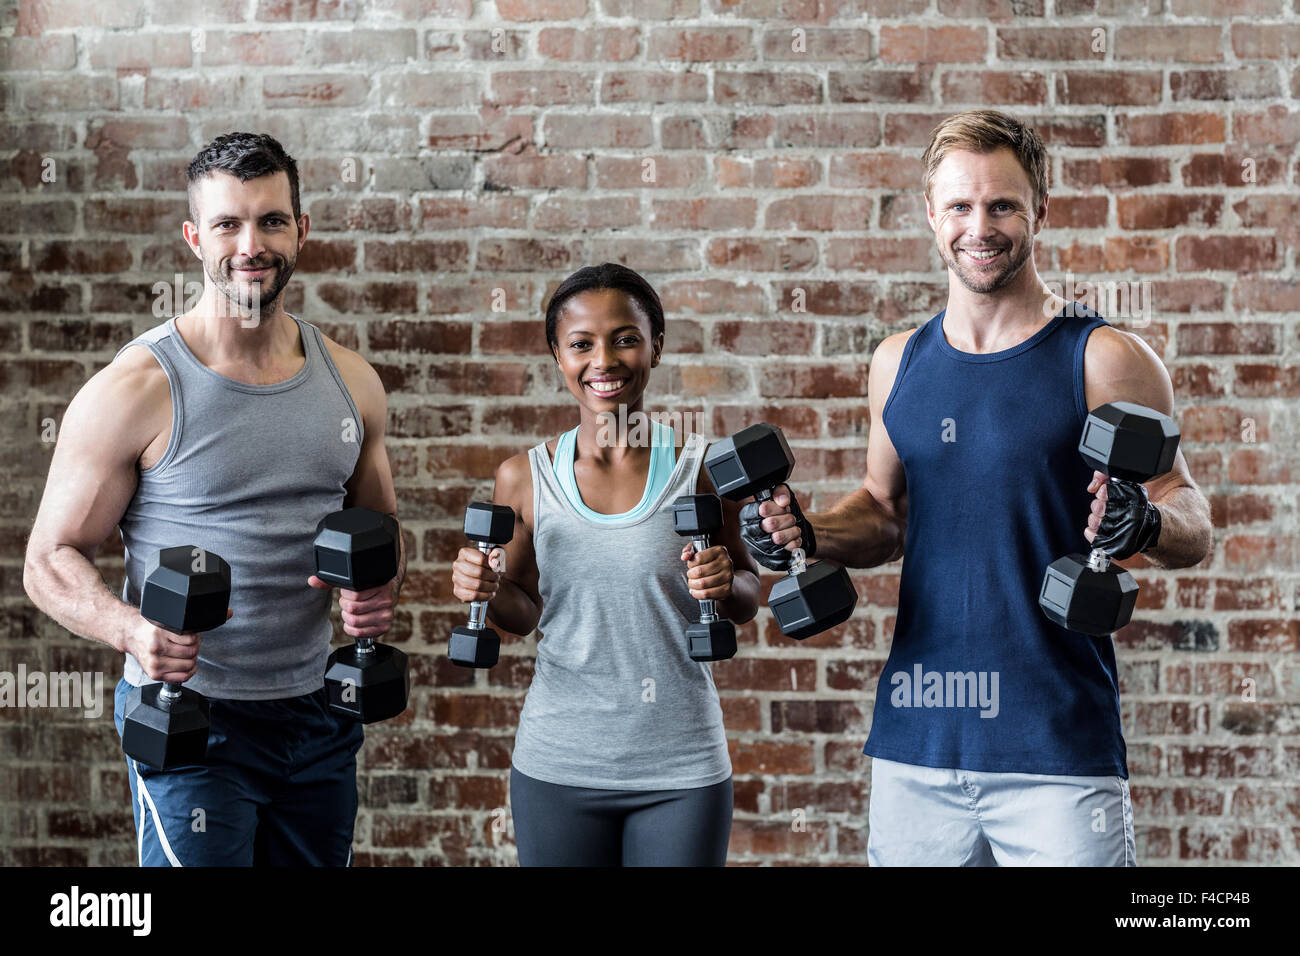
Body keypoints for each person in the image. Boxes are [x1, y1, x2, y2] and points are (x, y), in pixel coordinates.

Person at [743, 109, 1212, 866]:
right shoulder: (898, 363)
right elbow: (884, 512)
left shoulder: (1103, 358)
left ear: (1040, 211)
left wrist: (1147, 525)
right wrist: (807, 529)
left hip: (1054, 745)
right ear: (931, 214)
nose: (979, 226)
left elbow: (1191, 513)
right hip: (917, 742)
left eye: (1002, 205)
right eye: (959, 205)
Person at [23, 132, 403, 866]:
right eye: (228, 223)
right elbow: (48, 559)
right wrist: (132, 631)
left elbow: (379, 532)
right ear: (196, 238)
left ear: (302, 231)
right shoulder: (136, 388)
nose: (250, 243)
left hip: (315, 715)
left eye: (270, 220)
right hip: (191, 723)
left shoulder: (352, 381)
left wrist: (378, 590)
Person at [451, 263, 761, 866]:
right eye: (581, 344)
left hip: (681, 764)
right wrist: (484, 588)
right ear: (557, 355)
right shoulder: (523, 478)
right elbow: (520, 612)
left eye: (625, 338)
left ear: (656, 347)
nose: (605, 360)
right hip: (559, 762)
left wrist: (726, 580)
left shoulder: (704, 468)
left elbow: (747, 596)